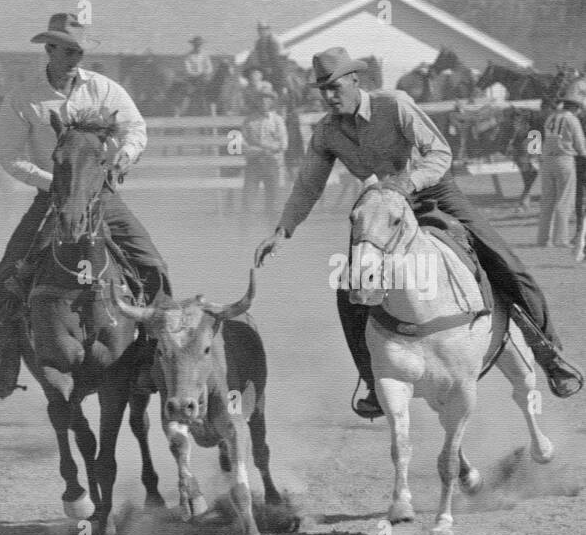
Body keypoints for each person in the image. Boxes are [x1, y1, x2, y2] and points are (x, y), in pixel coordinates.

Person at [253, 47, 584, 418]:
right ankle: (374, 382)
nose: (329, 96)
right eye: (323, 90)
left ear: (354, 81)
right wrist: (282, 231)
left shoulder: (394, 105)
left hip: (434, 193)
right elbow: (308, 184)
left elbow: (440, 152)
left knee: (507, 264)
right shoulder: (327, 132)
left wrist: (406, 182)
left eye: (334, 88)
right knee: (350, 291)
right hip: (382, 208)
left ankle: (550, 357)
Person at [0, 12, 172, 399]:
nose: (76, 57)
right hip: (50, 199)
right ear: (49, 49)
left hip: (103, 195)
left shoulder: (105, 89)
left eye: (79, 50)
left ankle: (156, 357)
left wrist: (123, 159)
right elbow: (8, 156)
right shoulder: (23, 96)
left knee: (153, 265)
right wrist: (57, 184)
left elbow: (136, 130)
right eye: (68, 50)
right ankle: (5, 360)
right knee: (8, 274)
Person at [538, 93, 585, 249]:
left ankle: (543, 239)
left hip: (547, 161)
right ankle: (560, 239)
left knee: (547, 201)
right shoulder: (572, 119)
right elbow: (580, 145)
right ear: (575, 107)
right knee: (564, 200)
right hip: (564, 159)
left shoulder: (551, 118)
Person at [241, 88, 287, 214]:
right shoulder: (249, 120)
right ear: (257, 101)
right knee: (248, 201)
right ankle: (245, 232)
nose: (264, 102)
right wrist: (262, 150)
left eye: (267, 99)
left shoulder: (277, 120)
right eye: (261, 99)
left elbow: (283, 144)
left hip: (272, 163)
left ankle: (272, 231)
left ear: (272, 102)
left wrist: (261, 145)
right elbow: (242, 144)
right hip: (253, 163)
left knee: (273, 203)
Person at [245, 22, 286, 95]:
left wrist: (271, 66)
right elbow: (257, 55)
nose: (261, 32)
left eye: (263, 30)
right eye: (260, 30)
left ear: (268, 30)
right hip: (263, 67)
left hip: (275, 66)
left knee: (278, 75)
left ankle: (281, 90)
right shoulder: (258, 42)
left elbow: (278, 55)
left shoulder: (274, 40)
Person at [182, 36, 214, 113]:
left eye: (200, 44)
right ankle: (183, 110)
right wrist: (197, 74)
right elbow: (187, 69)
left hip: (204, 78)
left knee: (212, 91)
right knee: (188, 92)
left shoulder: (205, 55)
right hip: (192, 79)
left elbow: (209, 67)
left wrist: (205, 73)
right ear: (193, 45)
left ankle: (213, 110)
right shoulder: (188, 55)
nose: (198, 46)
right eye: (196, 44)